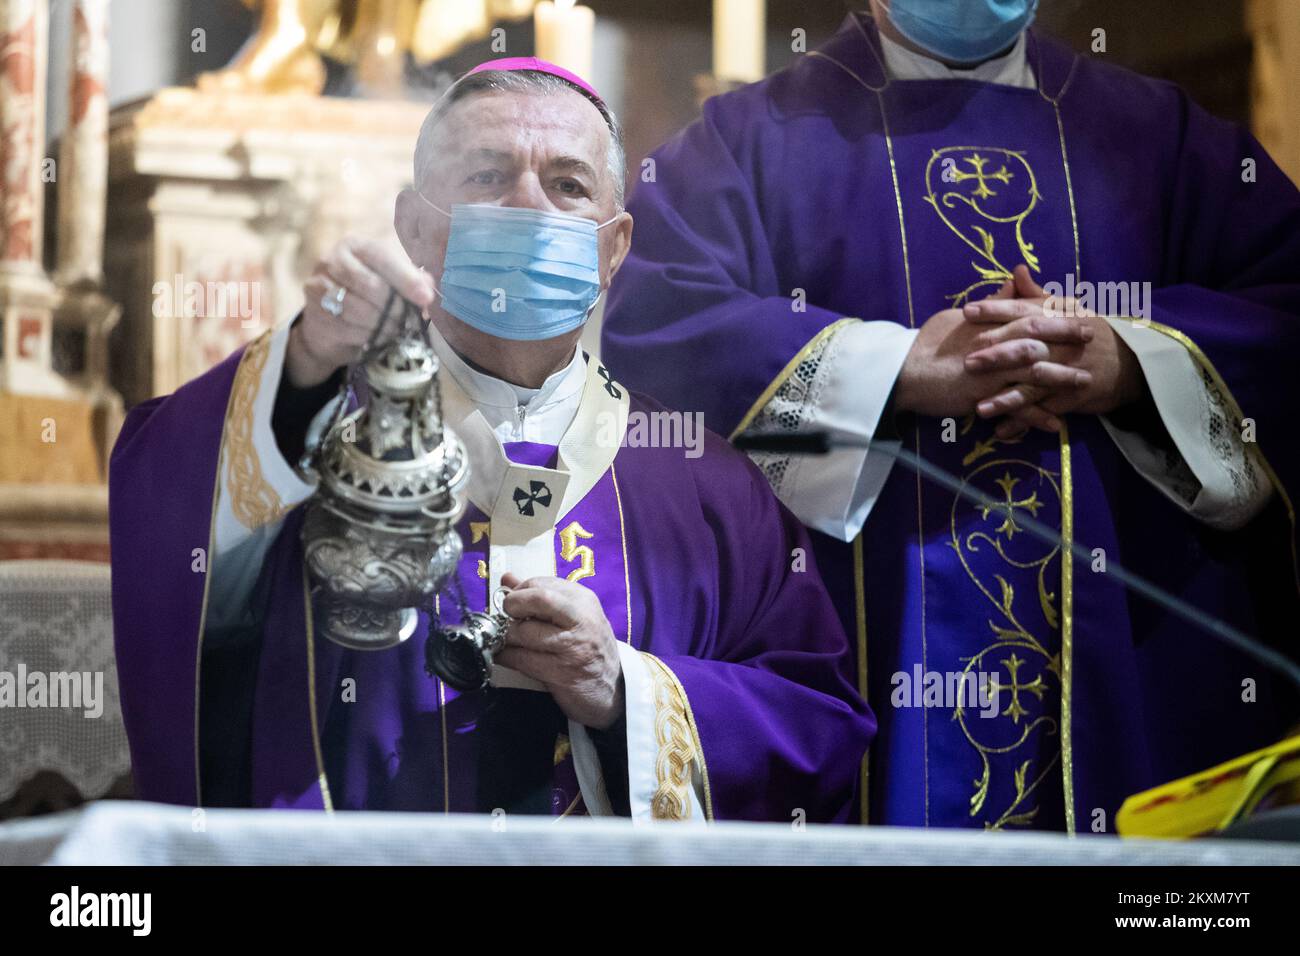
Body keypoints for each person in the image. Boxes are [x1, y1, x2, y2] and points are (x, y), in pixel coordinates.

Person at [109, 58, 874, 822]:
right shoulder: (308, 425)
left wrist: (626, 692)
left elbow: (817, 724)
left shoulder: (706, 487)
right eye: (487, 176)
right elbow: (169, 534)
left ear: (614, 248)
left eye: (568, 184)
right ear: (414, 226)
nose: (530, 206)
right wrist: (306, 357)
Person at [602, 2, 1300, 831]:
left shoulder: (1164, 138)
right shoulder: (743, 143)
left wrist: (1133, 362)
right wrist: (894, 370)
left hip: (1129, 673)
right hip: (864, 646)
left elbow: (1286, 313)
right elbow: (657, 328)